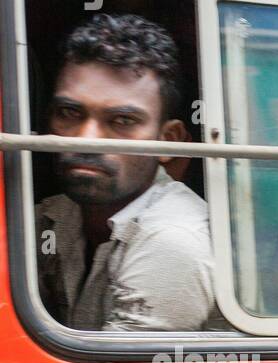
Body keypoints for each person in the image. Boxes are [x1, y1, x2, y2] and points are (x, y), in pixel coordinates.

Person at [35, 13, 218, 332]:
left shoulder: (173, 240)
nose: (86, 139)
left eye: (121, 121)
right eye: (69, 113)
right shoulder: (55, 215)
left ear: (168, 142)